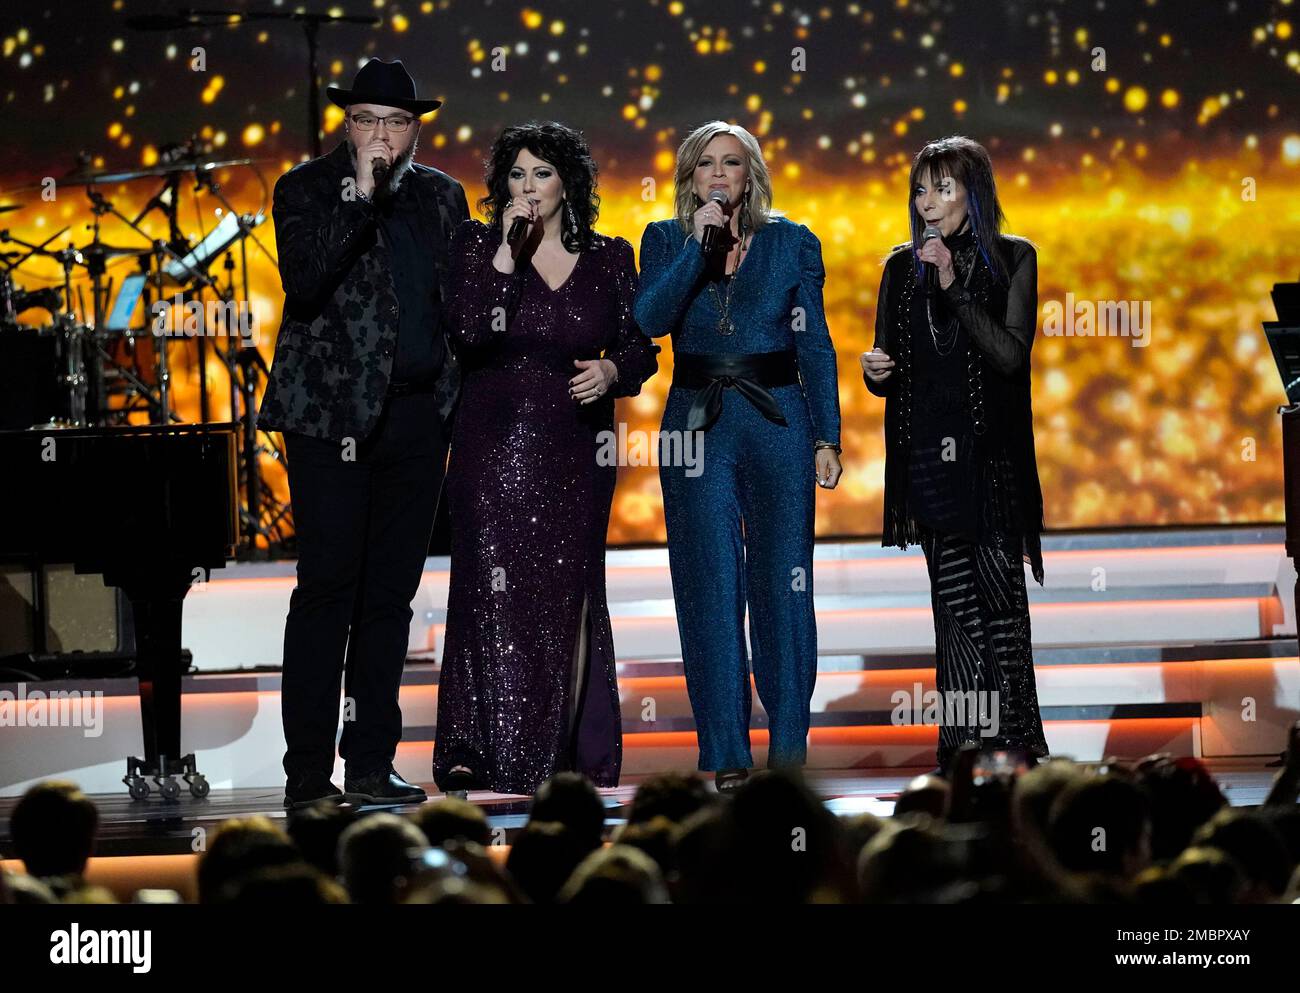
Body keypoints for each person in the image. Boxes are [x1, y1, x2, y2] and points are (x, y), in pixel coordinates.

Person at [259, 59, 468, 808]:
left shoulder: (444, 196)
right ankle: (308, 773)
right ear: (346, 125)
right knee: (326, 592)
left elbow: (460, 301)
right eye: (367, 120)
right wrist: (363, 199)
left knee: (391, 599)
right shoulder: (306, 189)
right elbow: (305, 280)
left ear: (416, 129)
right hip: (330, 420)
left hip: (417, 418)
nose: (382, 135)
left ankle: (372, 763)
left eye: (397, 122)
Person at [432, 121, 660, 796]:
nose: (529, 188)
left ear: (570, 183)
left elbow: (642, 346)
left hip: (576, 450)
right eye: (517, 175)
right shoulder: (478, 246)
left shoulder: (612, 258)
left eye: (543, 174)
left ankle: (560, 752)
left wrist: (615, 369)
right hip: (491, 451)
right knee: (489, 596)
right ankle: (480, 746)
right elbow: (468, 330)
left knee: (573, 593)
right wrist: (507, 253)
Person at [633, 121, 842, 792]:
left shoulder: (791, 242)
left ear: (749, 174)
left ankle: (787, 749)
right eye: (704, 166)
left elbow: (815, 345)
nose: (718, 176)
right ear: (690, 178)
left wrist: (827, 437)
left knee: (784, 585)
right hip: (696, 424)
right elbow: (649, 319)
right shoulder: (666, 240)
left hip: (777, 419)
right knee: (709, 587)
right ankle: (725, 751)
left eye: (730, 164)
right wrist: (699, 246)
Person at [861, 134, 1050, 774]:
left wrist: (953, 284)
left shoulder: (1013, 260)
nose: (929, 201)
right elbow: (886, 361)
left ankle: (1017, 746)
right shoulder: (897, 268)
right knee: (956, 611)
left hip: (991, 461)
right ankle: (967, 752)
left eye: (943, 187)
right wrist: (874, 370)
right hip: (928, 465)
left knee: (1002, 607)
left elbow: (1009, 355)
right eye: (922, 188)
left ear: (974, 192)